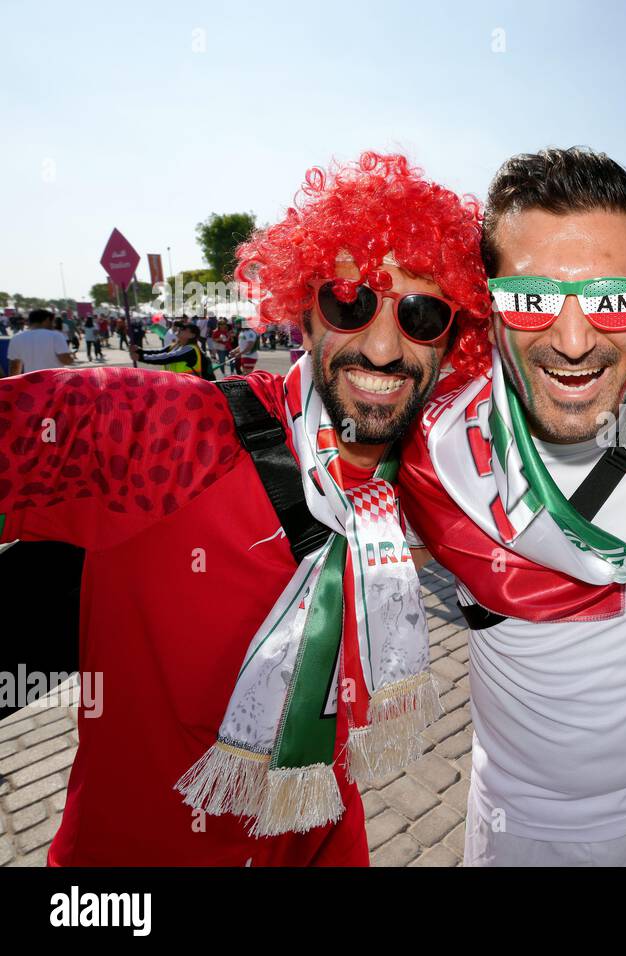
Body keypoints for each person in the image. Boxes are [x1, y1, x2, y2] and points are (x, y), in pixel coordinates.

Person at [0, 151, 488, 864]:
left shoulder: (421, 484)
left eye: (421, 313)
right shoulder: (164, 428)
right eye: (349, 300)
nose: (384, 346)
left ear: (451, 338)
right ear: (302, 310)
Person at [399, 146, 626, 866]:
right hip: (521, 825)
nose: (573, 341)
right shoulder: (432, 445)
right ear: (493, 305)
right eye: (532, 298)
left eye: (612, 299)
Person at [3, 308, 74, 376]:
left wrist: (15, 385)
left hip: (31, 381)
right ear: (47, 320)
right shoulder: (56, 335)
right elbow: (65, 359)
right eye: (53, 321)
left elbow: (14, 366)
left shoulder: (16, 338)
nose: (54, 325)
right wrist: (71, 358)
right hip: (54, 379)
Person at [131, 322, 213, 379]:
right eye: (180, 327)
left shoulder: (190, 349)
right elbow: (159, 352)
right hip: (177, 386)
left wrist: (141, 357)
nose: (180, 329)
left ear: (192, 335)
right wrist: (140, 351)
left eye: (184, 329)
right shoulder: (176, 345)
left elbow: (167, 357)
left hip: (189, 387)